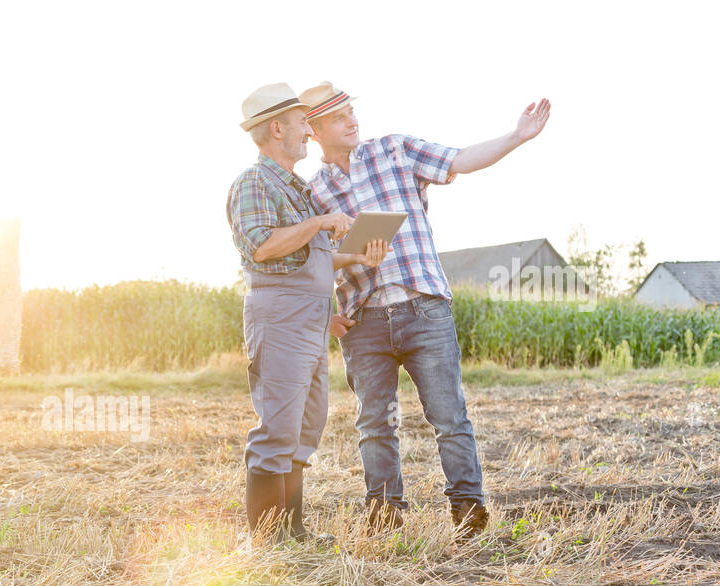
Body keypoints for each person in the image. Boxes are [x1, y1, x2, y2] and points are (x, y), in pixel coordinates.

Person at [301, 82, 551, 538]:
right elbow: (309, 261)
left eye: (351, 111)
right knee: (374, 424)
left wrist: (516, 137)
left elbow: (460, 159)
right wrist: (323, 314)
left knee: (449, 417)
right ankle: (384, 518)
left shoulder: (395, 150)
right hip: (364, 320)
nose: (352, 120)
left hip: (424, 309)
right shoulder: (312, 193)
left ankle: (469, 514)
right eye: (338, 118)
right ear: (314, 130)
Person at [227, 83, 388, 542]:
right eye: (302, 123)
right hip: (279, 315)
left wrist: (355, 258)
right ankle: (266, 541)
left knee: (305, 425)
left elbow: (307, 254)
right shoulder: (253, 183)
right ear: (277, 128)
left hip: (311, 318)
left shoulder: (293, 186)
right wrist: (319, 222)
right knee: (278, 426)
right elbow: (262, 246)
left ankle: (292, 530)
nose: (307, 132)